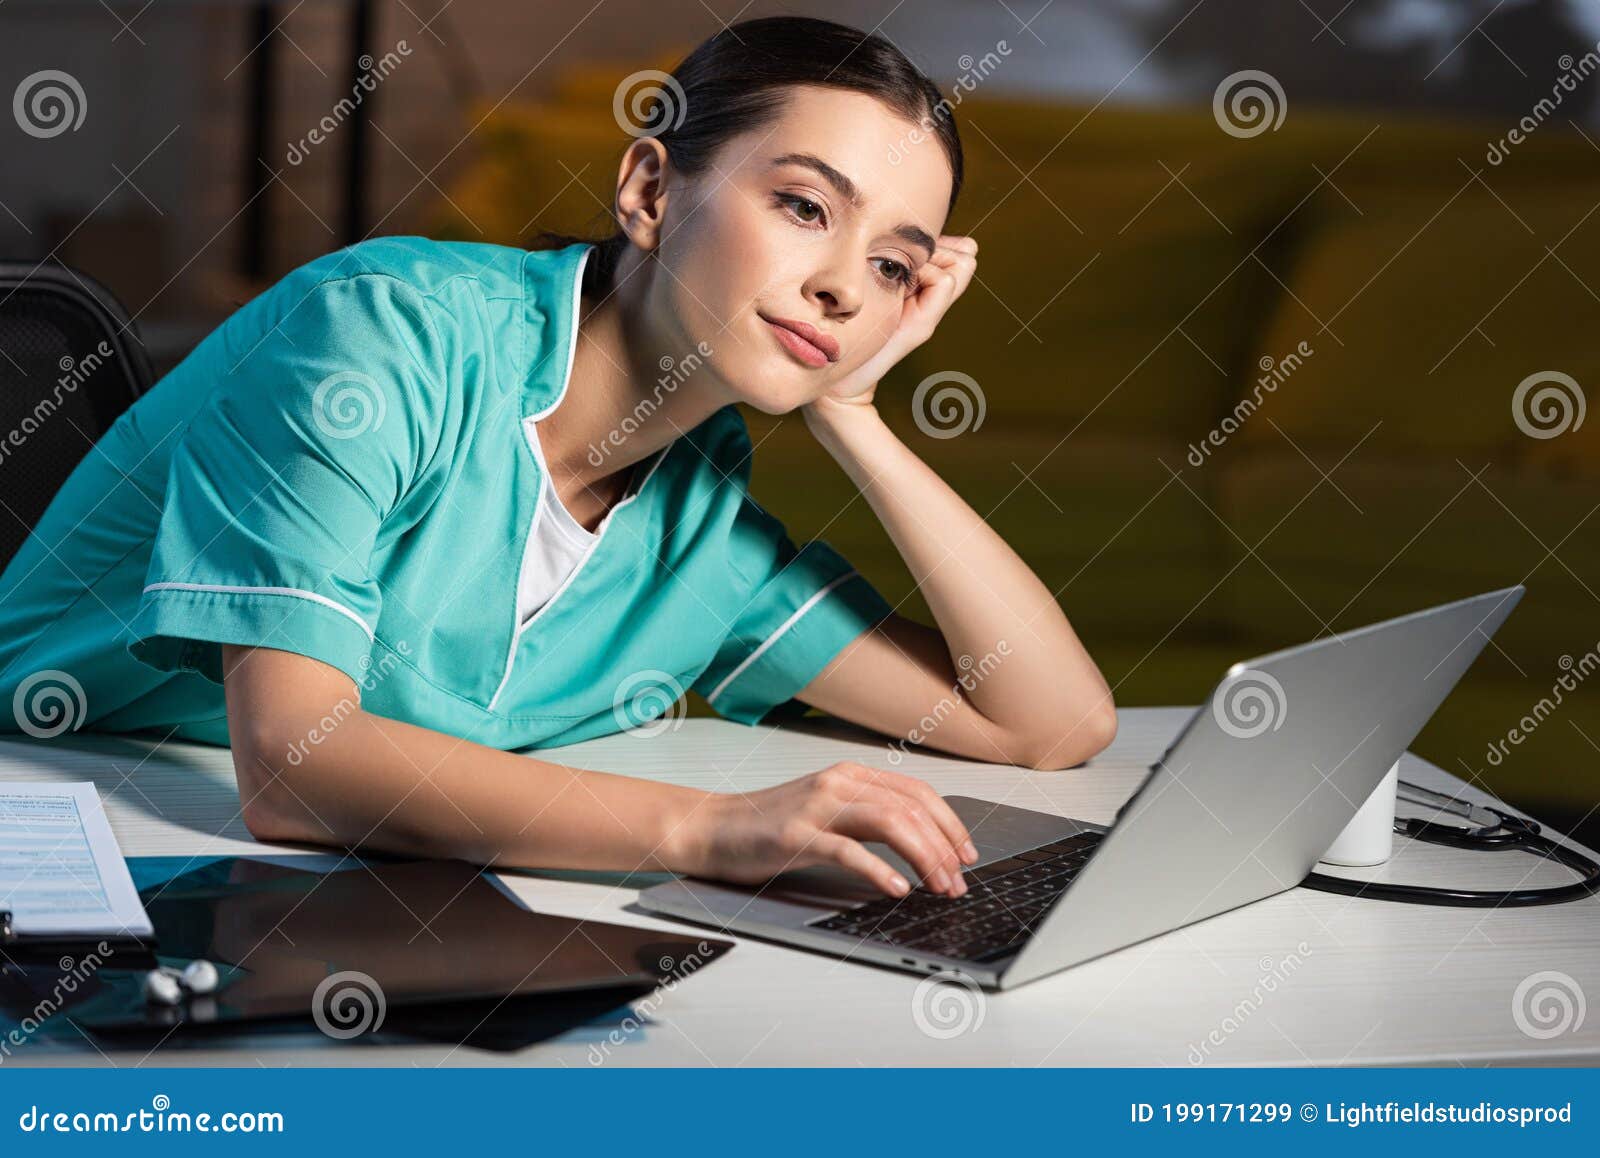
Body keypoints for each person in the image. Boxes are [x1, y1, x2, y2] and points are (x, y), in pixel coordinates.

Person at [0, 16, 1115, 900]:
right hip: (72, 843)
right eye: (803, 205)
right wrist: (711, 830)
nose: (840, 285)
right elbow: (296, 765)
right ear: (649, 191)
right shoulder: (381, 333)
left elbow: (1045, 723)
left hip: (370, 890)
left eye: (891, 268)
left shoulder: (699, 527)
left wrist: (857, 410)